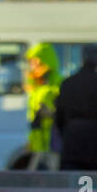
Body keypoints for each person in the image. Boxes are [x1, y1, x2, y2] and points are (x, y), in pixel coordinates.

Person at [54, 43, 97, 172]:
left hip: (72, 143)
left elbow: (59, 116)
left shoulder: (68, 83)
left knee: (75, 188)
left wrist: (66, 134)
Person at [23, 42, 62, 170]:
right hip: (39, 144)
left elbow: (64, 111)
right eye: (32, 63)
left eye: (36, 62)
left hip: (53, 143)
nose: (33, 66)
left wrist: (49, 112)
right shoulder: (36, 86)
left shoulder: (58, 83)